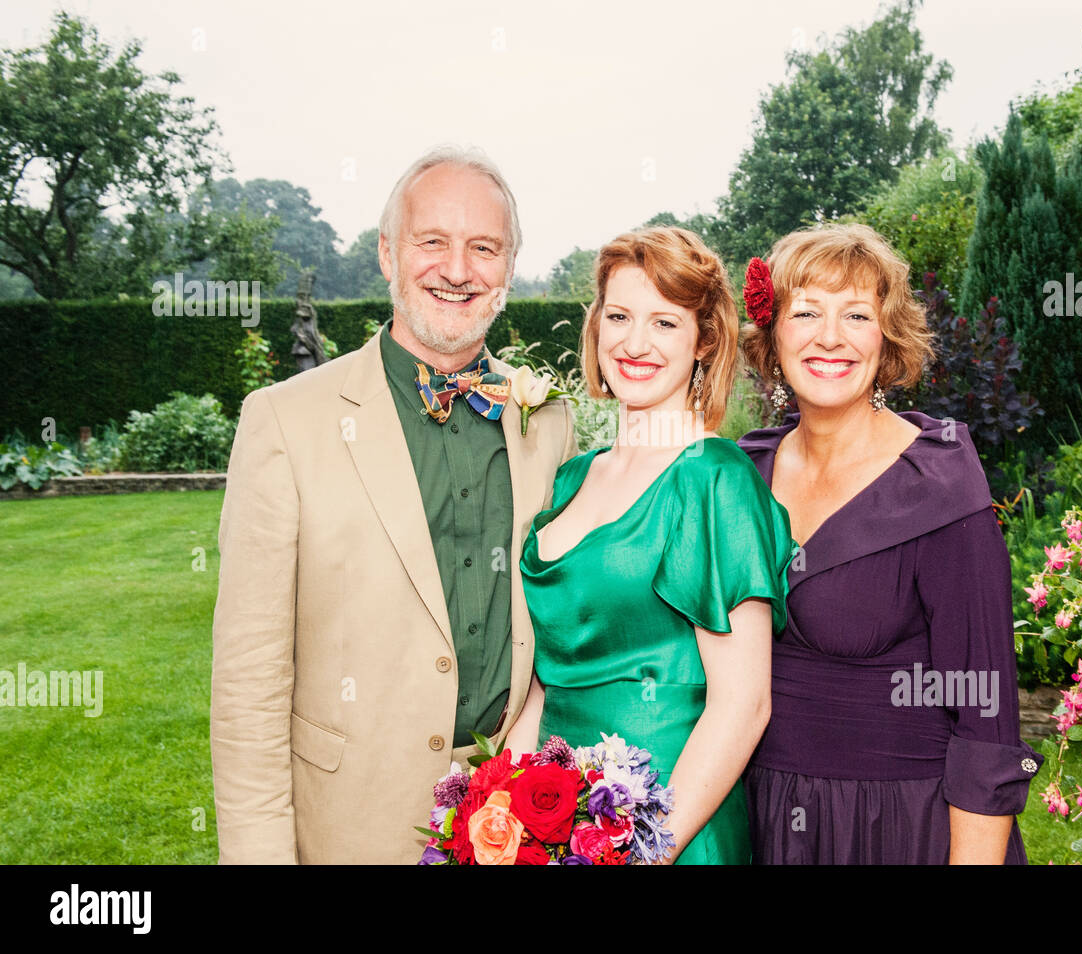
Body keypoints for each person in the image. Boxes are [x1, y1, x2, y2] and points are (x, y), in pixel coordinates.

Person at [210, 145, 576, 864]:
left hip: (518, 818)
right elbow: (248, 684)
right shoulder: (285, 420)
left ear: (507, 268)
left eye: (484, 247)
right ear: (386, 253)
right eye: (431, 241)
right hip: (349, 828)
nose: (458, 269)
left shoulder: (550, 423)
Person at [736, 223, 1042, 864]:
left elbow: (984, 715)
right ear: (774, 334)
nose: (830, 337)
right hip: (757, 823)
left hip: (898, 827)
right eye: (807, 313)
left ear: (887, 335)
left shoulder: (937, 480)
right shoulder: (740, 475)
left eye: (856, 314)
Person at [505, 227, 795, 864]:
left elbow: (743, 706)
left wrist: (642, 851)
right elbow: (544, 689)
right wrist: (497, 813)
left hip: (670, 829)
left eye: (665, 322)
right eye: (619, 316)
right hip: (552, 827)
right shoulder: (573, 476)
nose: (635, 344)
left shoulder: (713, 479)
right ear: (596, 328)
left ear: (704, 341)